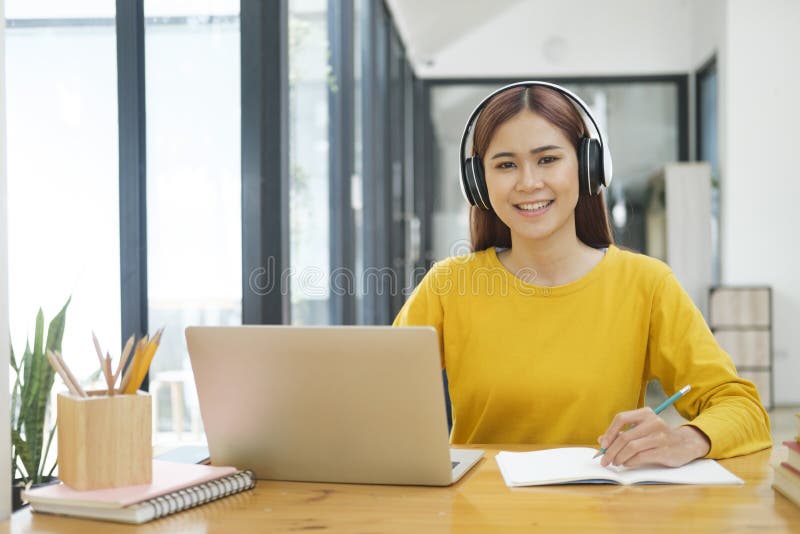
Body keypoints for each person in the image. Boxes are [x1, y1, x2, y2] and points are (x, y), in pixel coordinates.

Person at [393, 82, 771, 469]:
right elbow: (377, 395)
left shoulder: (646, 284)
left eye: (548, 159)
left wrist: (688, 438)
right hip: (480, 513)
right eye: (506, 164)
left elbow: (741, 408)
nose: (528, 182)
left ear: (589, 167)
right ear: (478, 183)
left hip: (601, 511)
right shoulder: (449, 286)